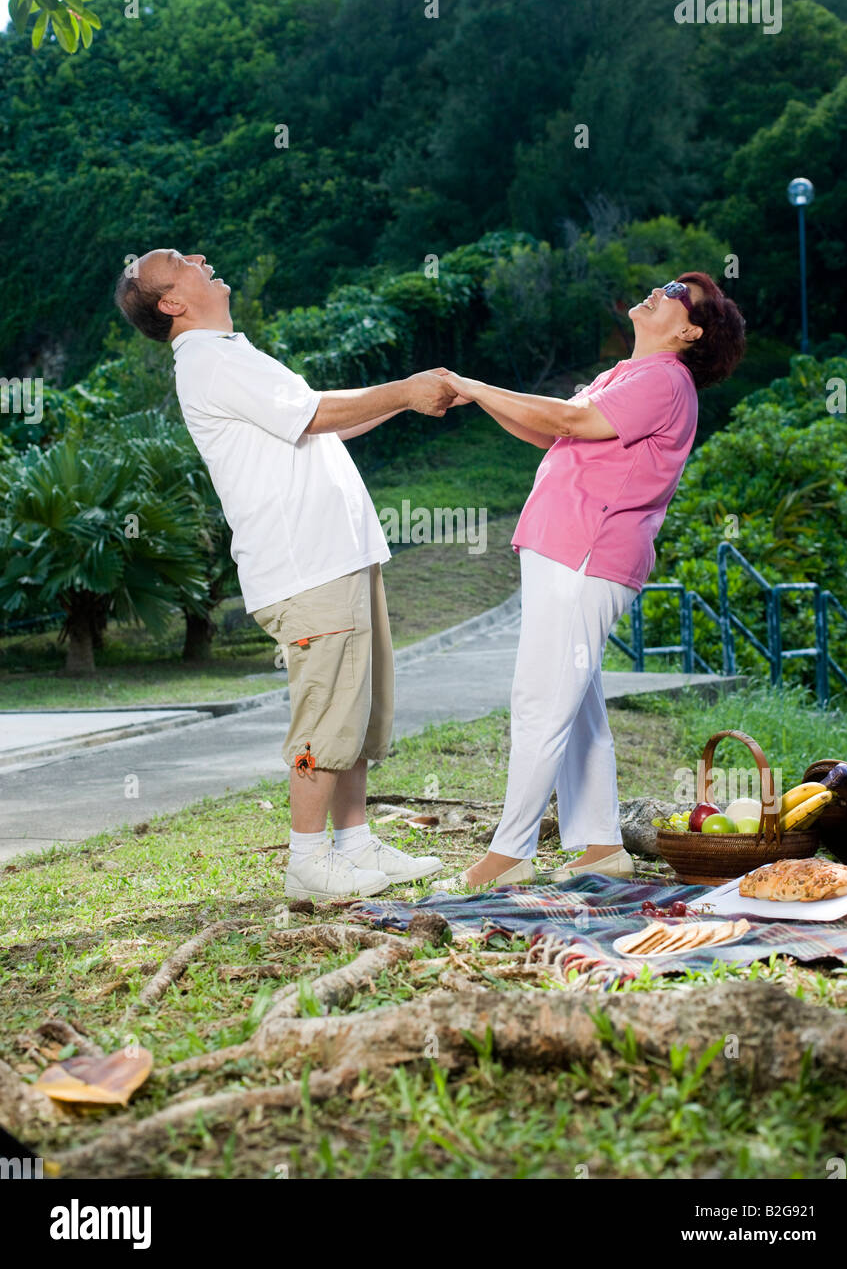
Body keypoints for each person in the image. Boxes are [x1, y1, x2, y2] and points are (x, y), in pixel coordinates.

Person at [115, 249, 457, 900]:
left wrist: (407, 401)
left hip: (342, 555)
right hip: (307, 567)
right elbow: (317, 414)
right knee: (324, 718)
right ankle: (307, 860)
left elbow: (318, 414)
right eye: (179, 262)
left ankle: (355, 844)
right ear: (171, 303)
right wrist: (408, 390)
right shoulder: (210, 360)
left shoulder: (233, 352)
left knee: (353, 714)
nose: (201, 258)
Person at [438, 273, 746, 892]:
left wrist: (470, 385)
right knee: (576, 705)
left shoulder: (664, 379)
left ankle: (510, 853)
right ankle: (601, 844)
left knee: (540, 698)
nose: (659, 291)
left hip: (586, 552)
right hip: (567, 548)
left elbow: (571, 422)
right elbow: (555, 428)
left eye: (676, 294)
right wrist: (480, 398)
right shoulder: (626, 375)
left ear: (689, 332)